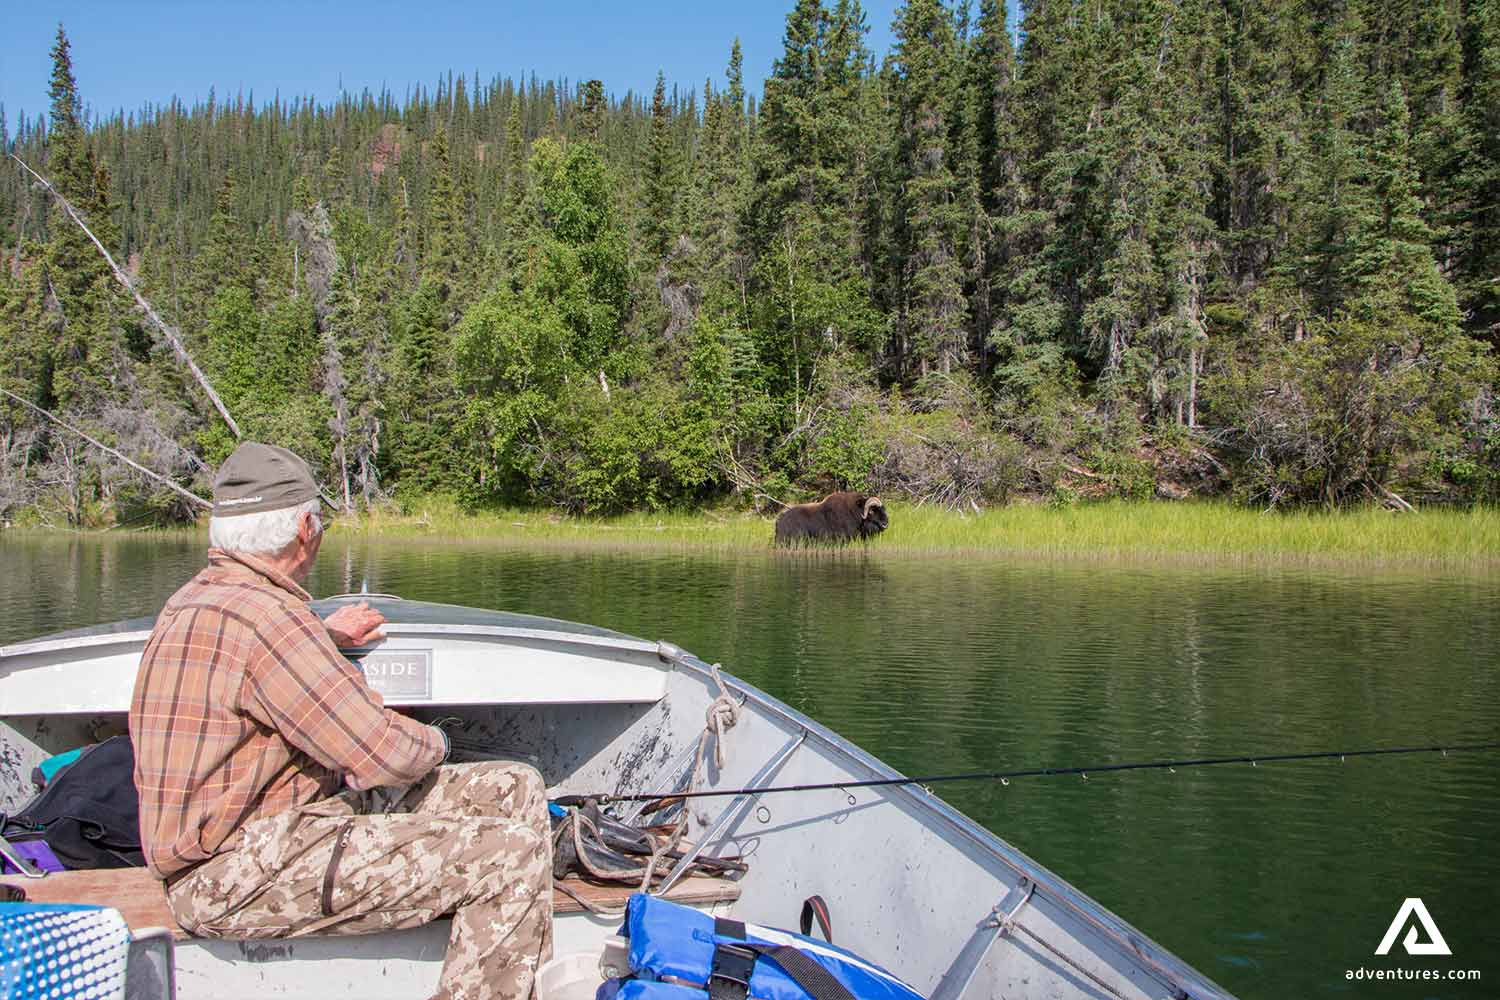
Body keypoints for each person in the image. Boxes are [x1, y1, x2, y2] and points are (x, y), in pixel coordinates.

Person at [129, 442, 552, 1000]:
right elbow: (385, 755)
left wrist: (322, 637)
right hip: (234, 872)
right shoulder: (272, 624)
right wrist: (443, 740)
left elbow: (252, 667)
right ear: (306, 530)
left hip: (264, 834)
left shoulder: (199, 601)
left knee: (515, 786)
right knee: (510, 854)